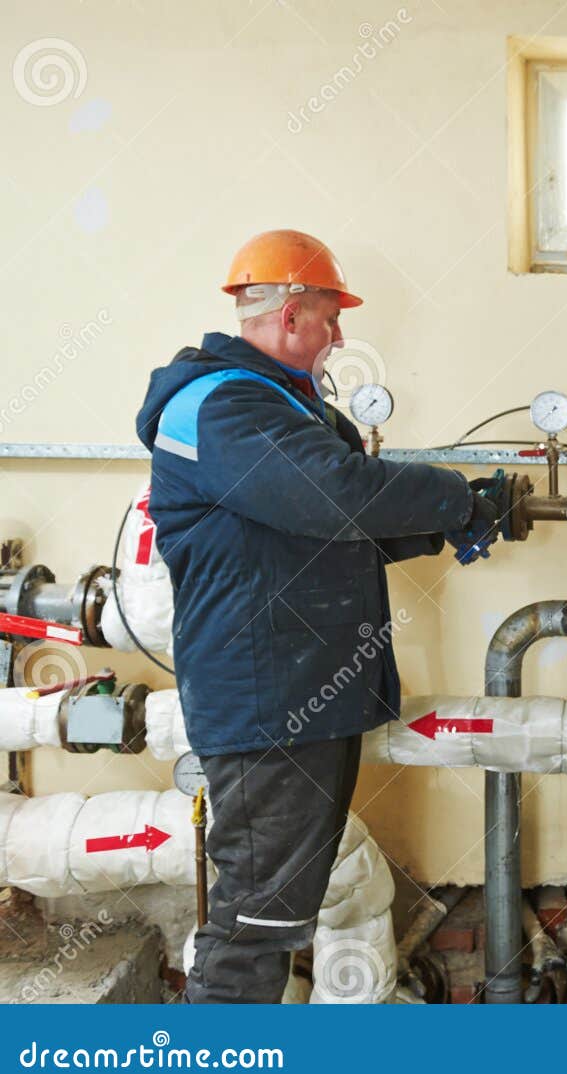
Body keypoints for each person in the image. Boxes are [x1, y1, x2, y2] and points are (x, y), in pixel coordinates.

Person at [134, 229, 510, 1003]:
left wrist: (463, 517)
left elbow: (343, 525)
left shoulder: (282, 406)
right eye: (333, 317)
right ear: (294, 312)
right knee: (255, 928)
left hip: (298, 700)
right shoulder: (220, 405)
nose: (340, 336)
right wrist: (450, 493)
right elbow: (338, 494)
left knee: (276, 914)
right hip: (267, 705)